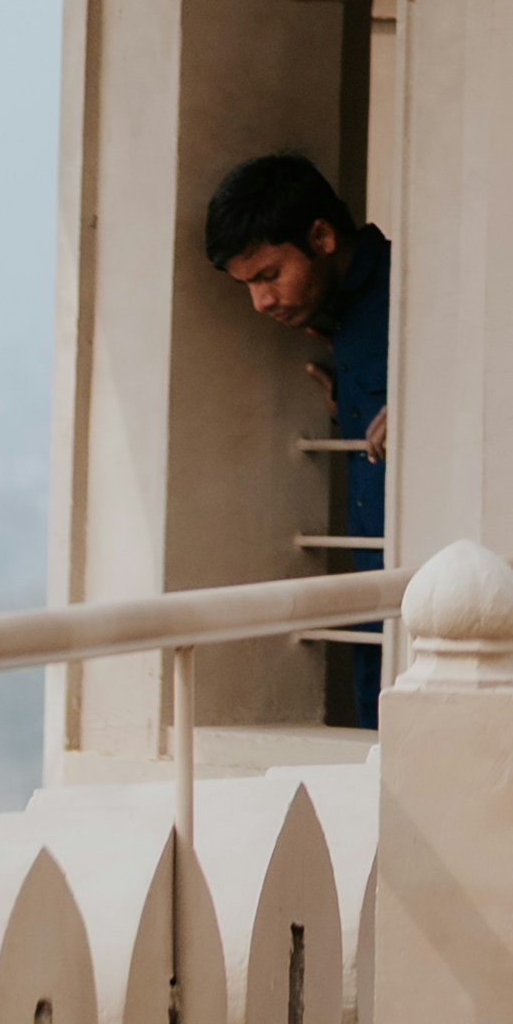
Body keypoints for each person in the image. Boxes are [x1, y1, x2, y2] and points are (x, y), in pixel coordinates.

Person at [207, 149, 390, 726]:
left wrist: (429, 404)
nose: (261, 301)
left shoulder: (412, 293)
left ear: (322, 236)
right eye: (248, 285)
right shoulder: (344, 317)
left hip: (432, 592)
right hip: (376, 586)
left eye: (268, 275)